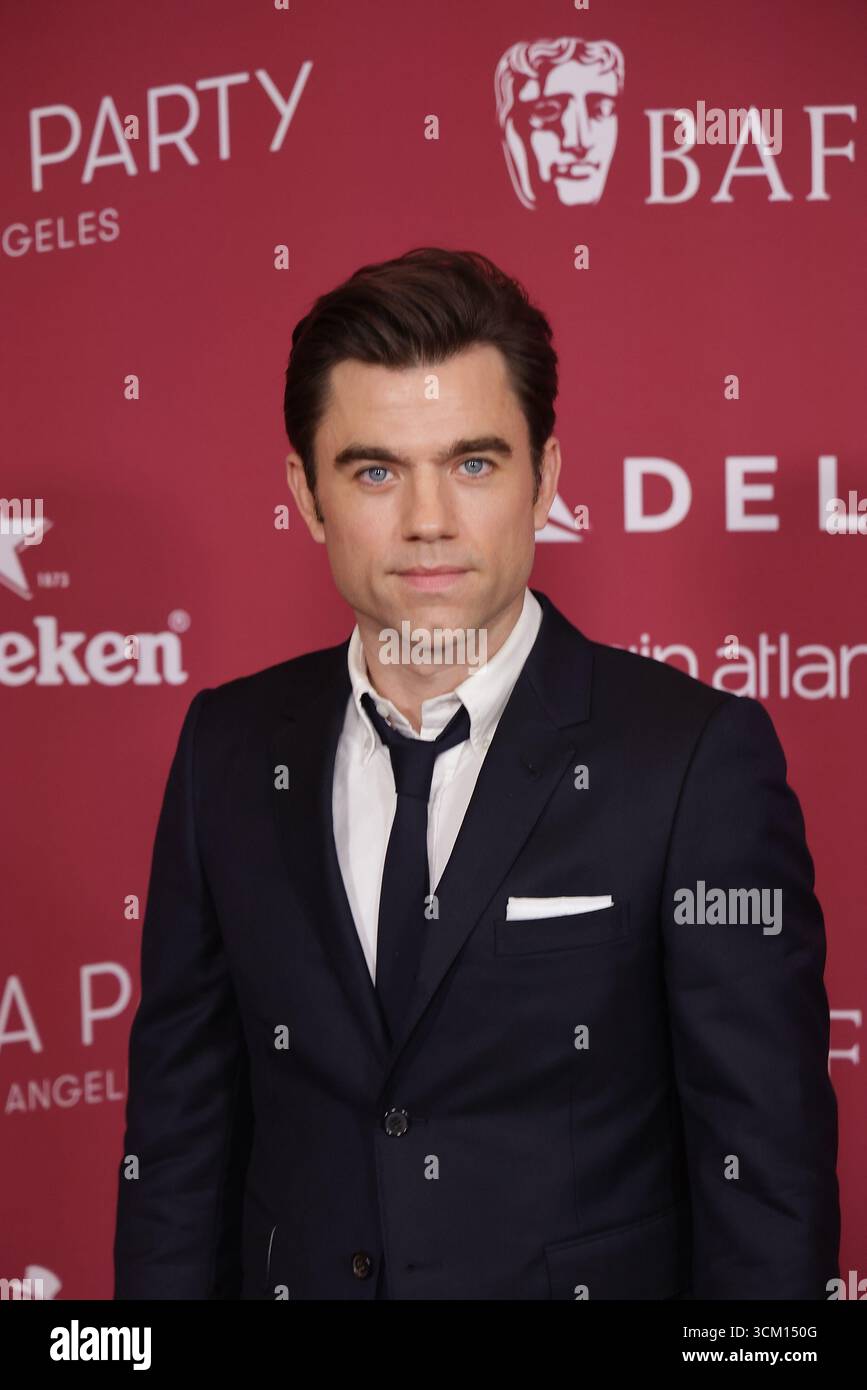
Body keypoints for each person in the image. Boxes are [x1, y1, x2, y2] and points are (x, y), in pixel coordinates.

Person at [114, 246, 839, 1300]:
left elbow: (765, 1182)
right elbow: (176, 1145)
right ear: (306, 494)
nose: (428, 522)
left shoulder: (691, 762)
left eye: (473, 463)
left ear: (545, 477)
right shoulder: (228, 749)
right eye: (374, 469)